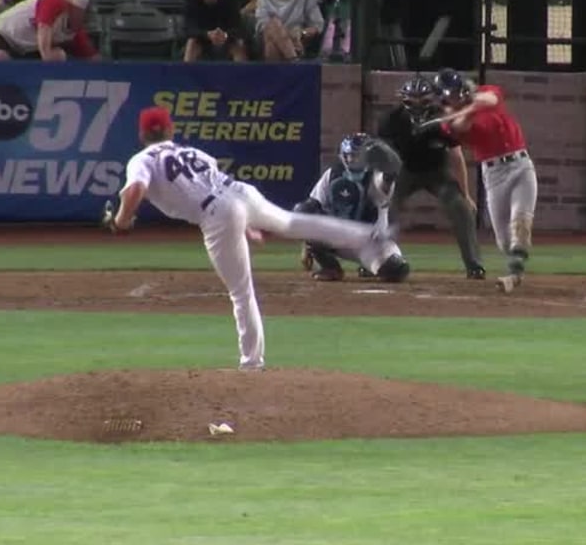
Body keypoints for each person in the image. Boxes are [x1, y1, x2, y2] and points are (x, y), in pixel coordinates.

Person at [104, 106, 401, 372]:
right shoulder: (192, 152)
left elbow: (135, 190)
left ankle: (252, 364)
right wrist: (245, 224)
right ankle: (366, 236)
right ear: (170, 130)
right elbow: (215, 186)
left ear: (142, 135)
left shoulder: (141, 159)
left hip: (218, 214)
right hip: (242, 193)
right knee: (291, 223)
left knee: (241, 293)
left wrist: (120, 221)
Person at [429, 69, 536, 293]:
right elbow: (462, 126)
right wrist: (459, 113)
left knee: (520, 220)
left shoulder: (486, 91)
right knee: (504, 241)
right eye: (451, 94)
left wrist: (467, 105)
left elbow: (490, 100)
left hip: (521, 166)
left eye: (457, 91)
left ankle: (515, 274)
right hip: (494, 175)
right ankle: (516, 264)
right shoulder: (450, 125)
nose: (456, 96)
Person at [377, 74, 487, 280]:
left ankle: (474, 264)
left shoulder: (442, 118)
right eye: (412, 100)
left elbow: (456, 156)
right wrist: (382, 187)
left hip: (437, 172)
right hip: (402, 170)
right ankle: (379, 260)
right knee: (383, 209)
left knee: (460, 207)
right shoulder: (391, 119)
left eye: (423, 100)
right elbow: (382, 156)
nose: (418, 104)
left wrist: (466, 194)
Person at [292, 132, 411, 282]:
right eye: (350, 155)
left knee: (396, 270)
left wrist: (387, 154)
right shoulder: (332, 174)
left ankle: (370, 267)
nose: (353, 160)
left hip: (370, 242)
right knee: (302, 210)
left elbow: (391, 173)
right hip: (337, 237)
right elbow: (311, 206)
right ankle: (330, 267)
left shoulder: (377, 176)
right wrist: (307, 244)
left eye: (358, 156)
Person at [0, 0, 99, 61]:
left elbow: (92, 58)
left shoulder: (76, 31)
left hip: (24, 49)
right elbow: (43, 27)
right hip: (2, 34)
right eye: (83, 14)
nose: (85, 19)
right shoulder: (54, 1)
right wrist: (46, 55)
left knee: (59, 55)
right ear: (74, 9)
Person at [182, 0, 249, 62]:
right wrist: (207, 34)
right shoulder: (190, 1)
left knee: (238, 44)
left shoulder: (231, 0)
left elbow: (239, 28)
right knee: (192, 42)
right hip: (202, 40)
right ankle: (187, 71)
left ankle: (242, 71)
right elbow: (188, 29)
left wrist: (225, 35)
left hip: (226, 40)